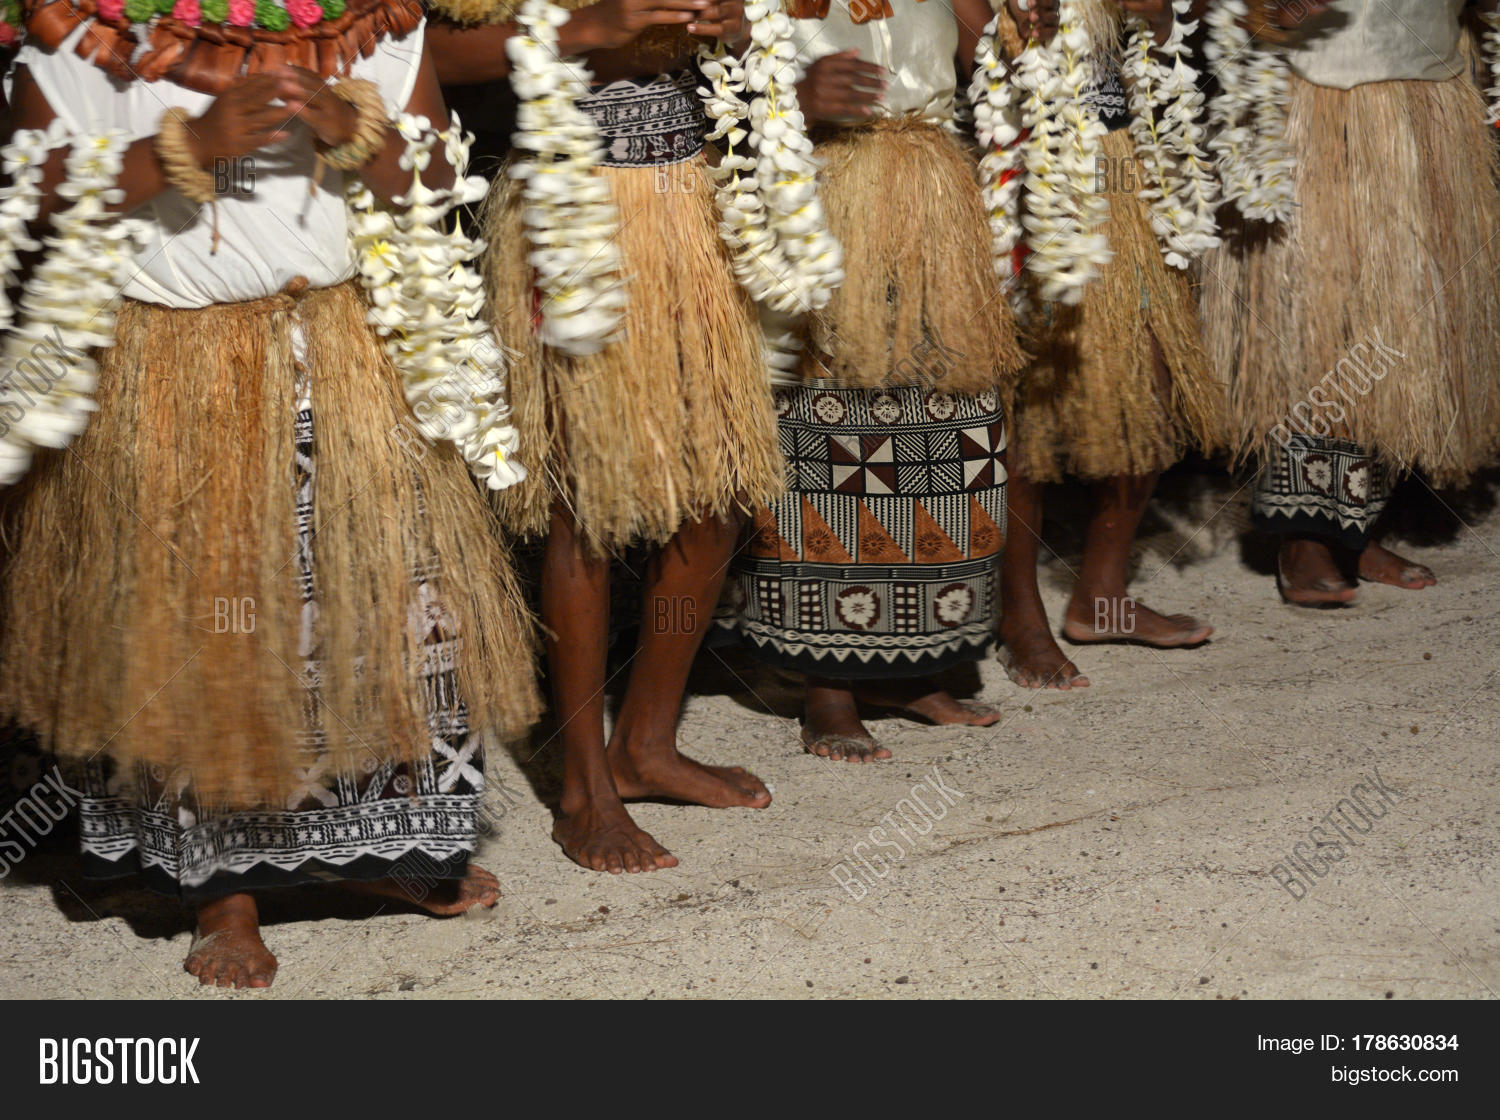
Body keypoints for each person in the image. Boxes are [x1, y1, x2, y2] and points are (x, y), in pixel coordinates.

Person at [0, 0, 539, 987]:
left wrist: (355, 131)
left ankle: (389, 850)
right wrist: (183, 146)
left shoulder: (370, 22)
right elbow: (33, 192)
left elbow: (429, 178)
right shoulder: (77, 29)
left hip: (343, 347)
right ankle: (224, 893)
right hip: (173, 364)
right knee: (208, 621)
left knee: (390, 607)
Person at [426, 0, 778, 873]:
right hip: (573, 218)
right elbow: (433, 54)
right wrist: (583, 29)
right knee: (585, 510)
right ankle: (584, 789)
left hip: (690, 207)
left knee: (716, 498)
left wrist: (739, 24)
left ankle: (647, 745)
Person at [722, 0, 1026, 761]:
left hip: (933, 197)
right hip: (815, 194)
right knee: (830, 435)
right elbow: (705, 96)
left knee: (945, 434)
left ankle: (915, 666)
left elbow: (997, 61)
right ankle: (828, 687)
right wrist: (791, 101)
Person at [1200, 0, 1500, 605]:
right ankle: (1305, 536)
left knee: (1400, 323)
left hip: (1428, 99)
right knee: (1318, 320)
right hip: (1313, 98)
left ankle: (1354, 525)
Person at [995, 0, 1221, 691]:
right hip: (1020, 168)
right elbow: (964, 51)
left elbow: (1183, 22)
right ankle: (1018, 613)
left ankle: (1101, 593)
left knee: (1148, 383)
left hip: (1120, 164)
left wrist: (1156, 17)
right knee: (1026, 413)